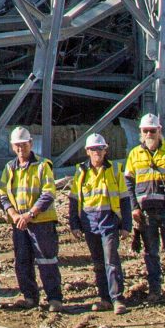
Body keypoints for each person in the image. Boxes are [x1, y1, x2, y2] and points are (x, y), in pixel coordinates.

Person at [124, 112, 165, 302]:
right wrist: (134, 207)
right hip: (146, 213)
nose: (149, 134)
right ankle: (155, 291)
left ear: (159, 131)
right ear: (141, 132)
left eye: (152, 131)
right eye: (146, 131)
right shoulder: (134, 154)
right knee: (151, 253)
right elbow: (128, 184)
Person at [67, 131, 130, 313]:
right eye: (93, 149)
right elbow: (74, 200)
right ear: (87, 151)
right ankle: (105, 299)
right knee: (98, 262)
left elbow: (125, 199)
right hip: (89, 222)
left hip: (108, 220)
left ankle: (117, 298)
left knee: (111, 259)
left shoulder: (115, 170)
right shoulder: (81, 172)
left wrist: (126, 225)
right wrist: (74, 224)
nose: (97, 152)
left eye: (100, 149)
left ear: (105, 150)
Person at [2, 128, 63, 310]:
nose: (21, 148)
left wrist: (29, 214)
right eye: (17, 145)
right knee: (22, 261)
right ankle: (29, 297)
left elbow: (48, 193)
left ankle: (54, 298)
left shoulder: (43, 165)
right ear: (13, 147)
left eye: (24, 144)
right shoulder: (10, 168)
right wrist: (14, 215)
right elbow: (3, 194)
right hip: (20, 223)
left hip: (40, 222)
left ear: (31, 144)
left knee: (46, 260)